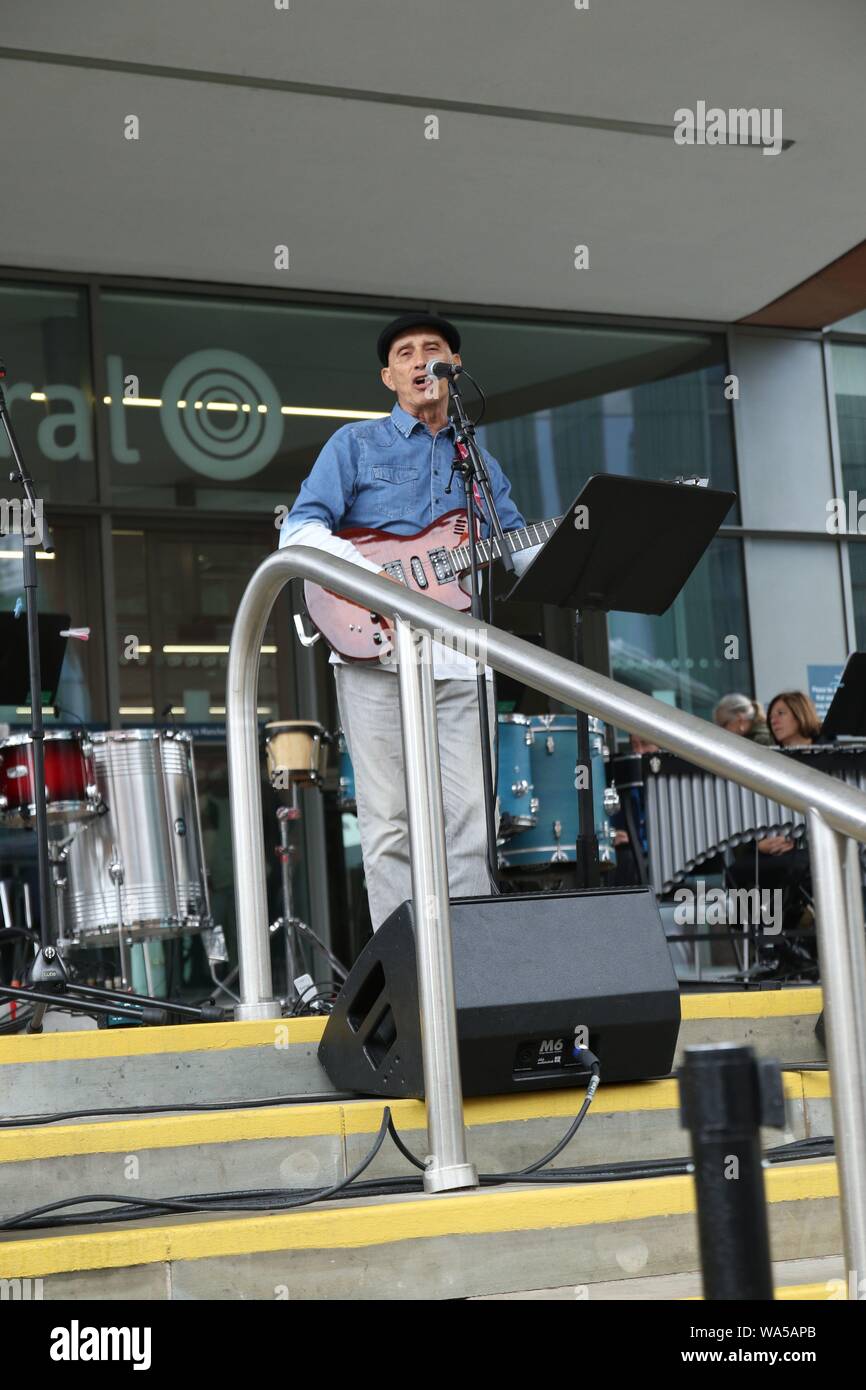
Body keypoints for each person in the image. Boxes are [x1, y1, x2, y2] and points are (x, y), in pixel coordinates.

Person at [279, 313, 540, 930]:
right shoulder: (354, 444)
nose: (422, 359)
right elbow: (301, 528)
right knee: (388, 819)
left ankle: (472, 963)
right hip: (373, 645)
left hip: (456, 647)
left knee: (472, 815)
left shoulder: (476, 459)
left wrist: (586, 538)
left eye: (435, 350)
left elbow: (513, 541)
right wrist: (377, 583)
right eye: (408, 352)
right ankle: (402, 973)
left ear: (454, 368)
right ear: (389, 375)